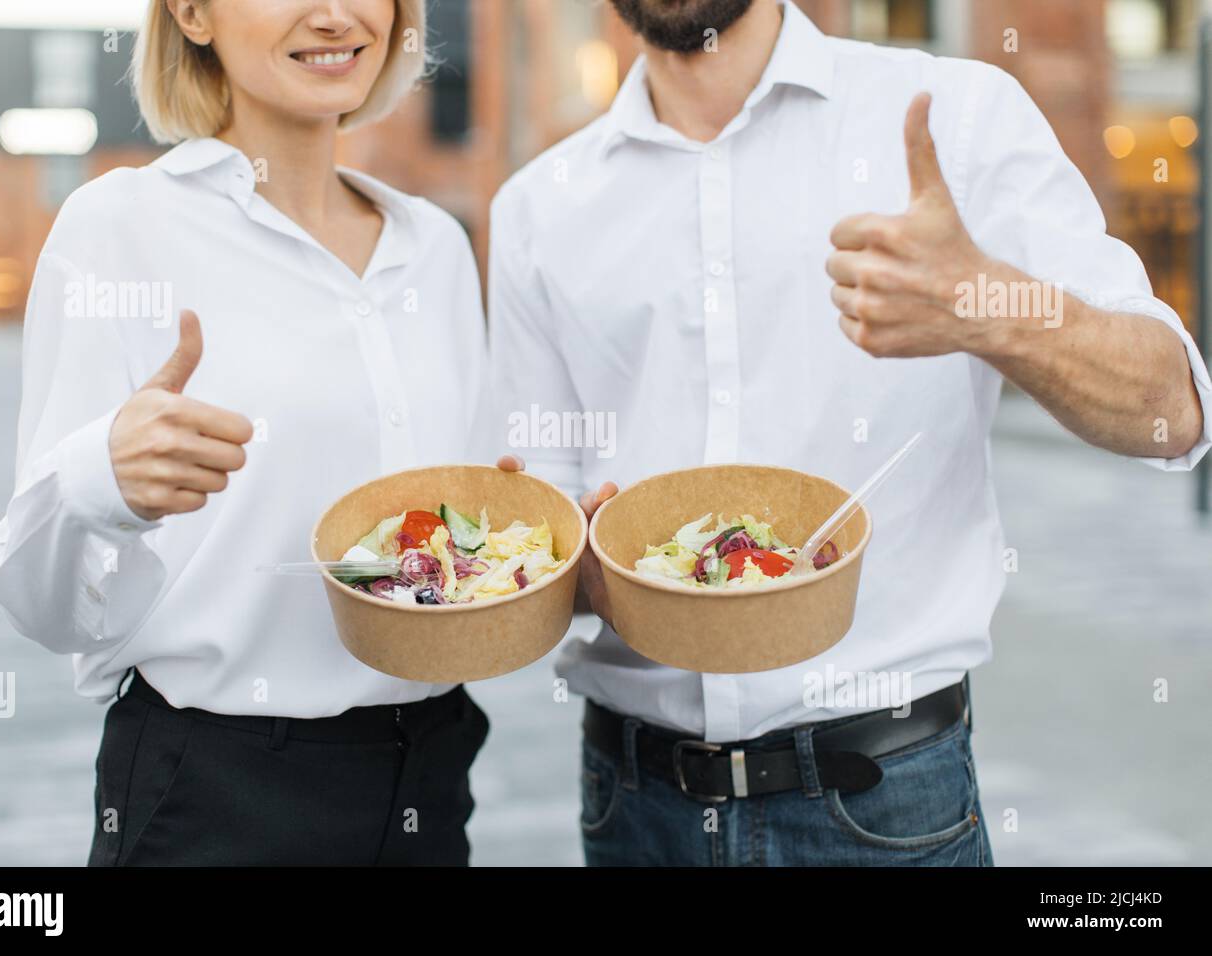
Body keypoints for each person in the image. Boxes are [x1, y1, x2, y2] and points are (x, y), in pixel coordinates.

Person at [486, 0, 1212, 866]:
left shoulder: (958, 115)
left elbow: (1171, 410)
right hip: (634, 811)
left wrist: (988, 309)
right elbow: (548, 521)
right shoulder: (539, 205)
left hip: (886, 804)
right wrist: (562, 567)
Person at [0, 0, 511, 866]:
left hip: (431, 777)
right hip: (218, 796)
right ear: (191, 13)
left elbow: (458, 541)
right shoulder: (117, 227)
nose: (336, 15)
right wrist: (100, 478)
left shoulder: (437, 249)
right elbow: (42, 606)